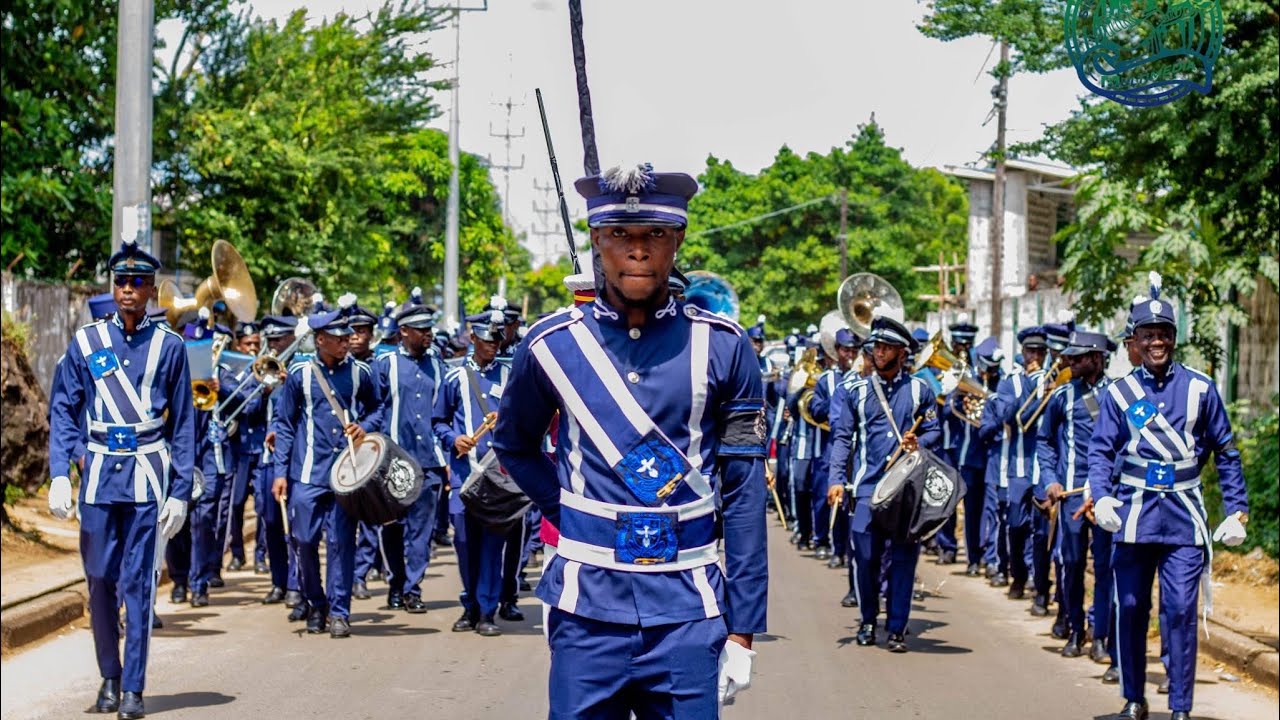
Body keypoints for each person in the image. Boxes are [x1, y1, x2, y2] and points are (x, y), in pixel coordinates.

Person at [493, 164, 767, 716]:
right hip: (586, 609)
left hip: (689, 611)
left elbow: (743, 494)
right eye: (620, 233)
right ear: (596, 239)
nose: (637, 250)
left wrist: (743, 628)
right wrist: (570, 513)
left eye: (654, 234)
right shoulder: (550, 345)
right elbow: (515, 445)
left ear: (678, 239)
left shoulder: (724, 346)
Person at [1086, 274, 1249, 720]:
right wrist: (1102, 496)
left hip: (1183, 516)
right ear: (1136, 341)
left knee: (1179, 611)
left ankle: (1180, 707)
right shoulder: (1120, 393)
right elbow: (1100, 450)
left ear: (1174, 338)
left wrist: (1237, 509)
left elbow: (1226, 451)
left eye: (1163, 334)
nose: (1156, 342)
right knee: (1131, 607)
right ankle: (1134, 699)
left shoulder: (1201, 388)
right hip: (1134, 513)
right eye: (1148, 335)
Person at [47, 241, 194, 719]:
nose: (128, 289)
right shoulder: (87, 341)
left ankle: (131, 687)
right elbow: (64, 407)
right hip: (97, 475)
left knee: (138, 583)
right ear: (113, 288)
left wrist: (180, 491)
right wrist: (60, 471)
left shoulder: (170, 347)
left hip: (147, 474)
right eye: (121, 281)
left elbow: (184, 423)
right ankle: (108, 674)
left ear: (151, 290)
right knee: (98, 579)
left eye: (137, 282)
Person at [827, 315, 939, 653]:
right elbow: (842, 438)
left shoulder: (920, 390)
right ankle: (867, 619)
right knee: (865, 557)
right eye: (876, 346)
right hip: (866, 489)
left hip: (907, 491)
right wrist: (836, 479)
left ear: (902, 353)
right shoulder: (857, 392)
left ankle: (897, 628)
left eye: (887, 347)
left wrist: (919, 443)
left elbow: (934, 430)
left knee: (904, 560)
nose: (879, 352)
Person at [270, 300, 382, 638]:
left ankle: (339, 612)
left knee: (341, 543)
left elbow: (378, 408)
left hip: (347, 474)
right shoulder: (300, 374)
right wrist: (279, 473)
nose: (347, 341)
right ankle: (315, 602)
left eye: (348, 336)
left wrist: (364, 426)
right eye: (339, 338)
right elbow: (285, 424)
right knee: (303, 540)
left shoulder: (361, 372)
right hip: (306, 474)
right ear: (320, 340)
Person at [1034, 330, 1119, 680]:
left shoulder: (1119, 394)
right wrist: (1050, 480)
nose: (1069, 362)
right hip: (1070, 496)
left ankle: (1100, 636)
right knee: (1070, 564)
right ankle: (1073, 627)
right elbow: (1044, 440)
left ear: (1097, 358)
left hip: (1104, 498)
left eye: (1078, 357)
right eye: (1069, 356)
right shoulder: (1062, 396)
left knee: (1105, 567)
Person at [433, 309, 511, 637]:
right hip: (465, 475)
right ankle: (470, 605)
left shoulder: (509, 375)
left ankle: (487, 611)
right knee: (464, 542)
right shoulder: (454, 377)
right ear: (473, 339)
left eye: (497, 340)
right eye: (488, 340)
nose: (494, 345)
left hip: (498, 478)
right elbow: (438, 421)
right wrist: (454, 439)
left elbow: (527, 418)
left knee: (492, 545)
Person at [372, 300, 448, 614]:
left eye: (429, 329)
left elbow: (445, 411)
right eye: (421, 329)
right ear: (403, 332)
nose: (428, 334)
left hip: (429, 461)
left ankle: (412, 590)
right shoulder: (385, 364)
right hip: (393, 460)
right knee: (392, 525)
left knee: (421, 531)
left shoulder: (438, 364)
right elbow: (374, 408)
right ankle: (396, 582)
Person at [980, 327, 1048, 595]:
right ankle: (1017, 573)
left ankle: (1036, 580)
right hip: (1017, 464)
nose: (1035, 357)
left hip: (1044, 468)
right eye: (1031, 352)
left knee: (1040, 529)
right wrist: (1034, 387)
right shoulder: (1010, 382)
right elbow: (1010, 416)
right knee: (1016, 524)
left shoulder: (1054, 382)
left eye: (1040, 352)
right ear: (1022, 353)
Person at [934, 316, 983, 568]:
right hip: (949, 446)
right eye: (958, 345)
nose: (962, 350)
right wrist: (952, 395)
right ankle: (946, 547)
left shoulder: (979, 372)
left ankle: (974, 557)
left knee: (973, 506)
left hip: (973, 448)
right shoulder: (941, 372)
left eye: (967, 345)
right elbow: (937, 410)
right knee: (946, 500)